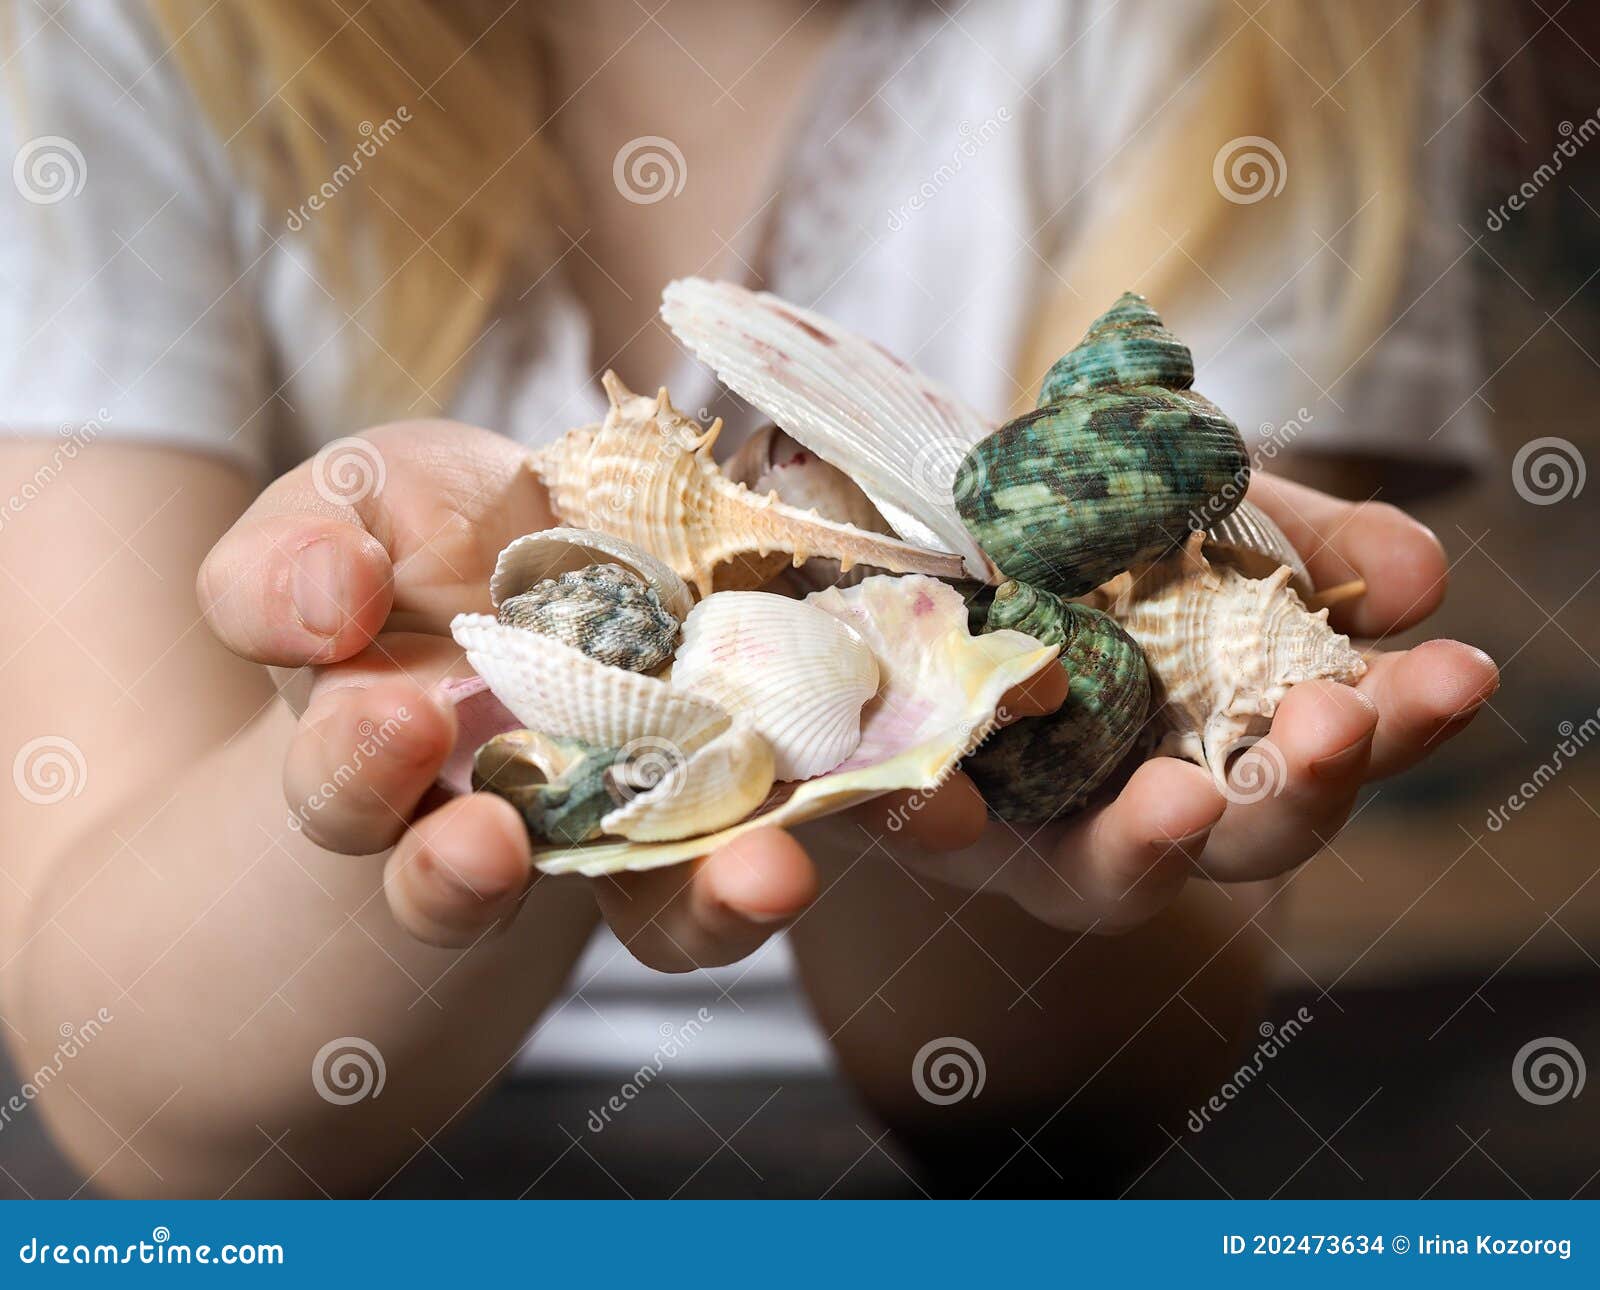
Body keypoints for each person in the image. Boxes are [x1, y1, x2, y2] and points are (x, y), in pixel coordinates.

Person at [0, 0, 1498, 1196]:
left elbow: (1086, 1102)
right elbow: (138, 1105)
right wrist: (446, 709)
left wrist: (895, 719)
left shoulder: (1278, 33)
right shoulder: (138, 35)